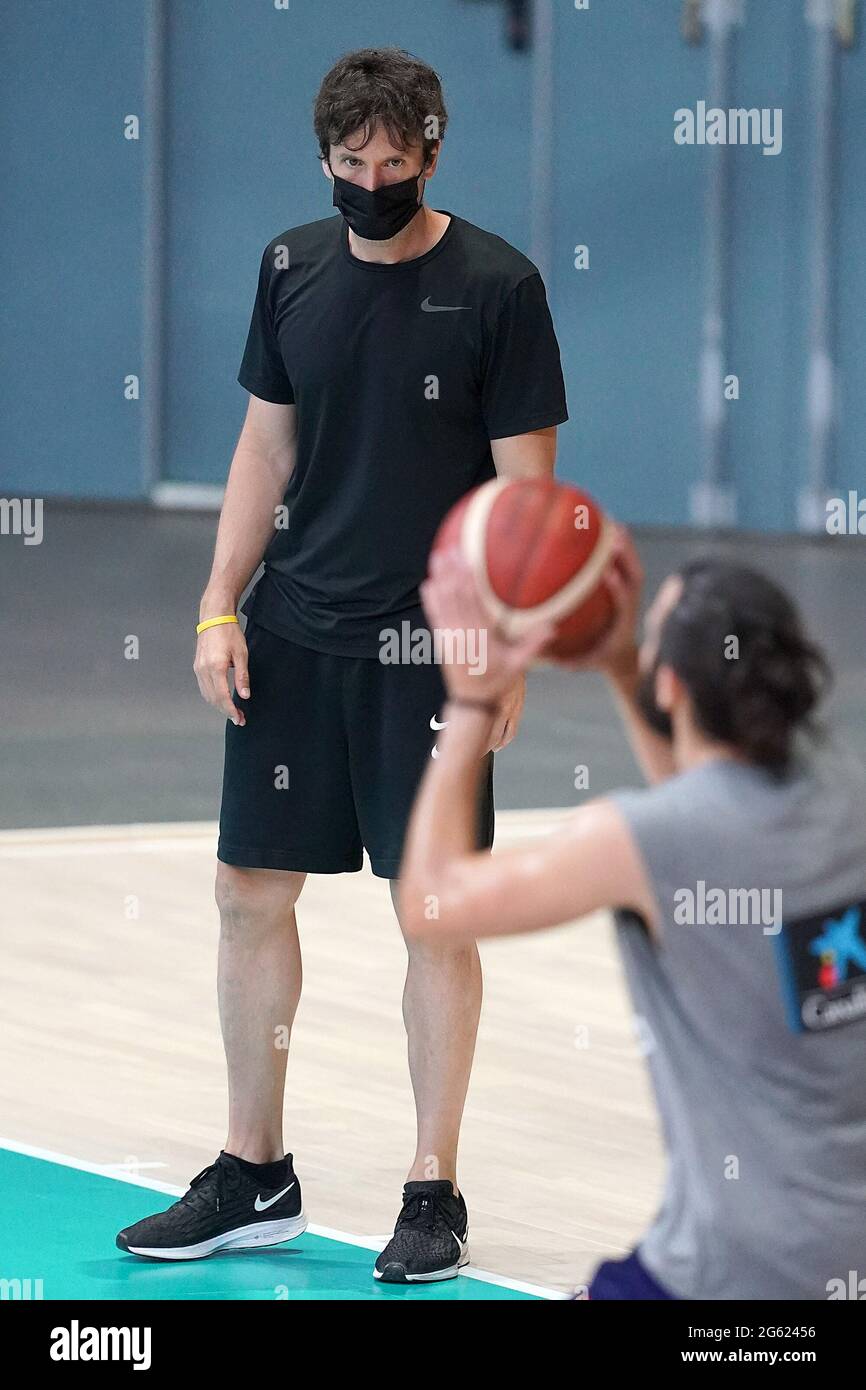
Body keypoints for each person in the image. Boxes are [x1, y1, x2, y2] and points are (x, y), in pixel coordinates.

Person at [116, 46, 567, 1282]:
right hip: (295, 632)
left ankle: (433, 1187)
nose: (372, 181)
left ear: (431, 152)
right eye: (350, 163)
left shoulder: (498, 287)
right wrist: (219, 605)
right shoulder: (290, 267)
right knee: (247, 892)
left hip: (433, 651)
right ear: (324, 158)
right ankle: (253, 1170)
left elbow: (524, 500)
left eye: (394, 161)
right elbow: (264, 451)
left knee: (429, 914)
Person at [398, 530, 866, 1299]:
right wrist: (623, 664)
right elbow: (699, 808)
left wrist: (470, 703)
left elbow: (431, 903)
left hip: (736, 1272)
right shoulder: (841, 793)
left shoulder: (637, 839)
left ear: (673, 687)